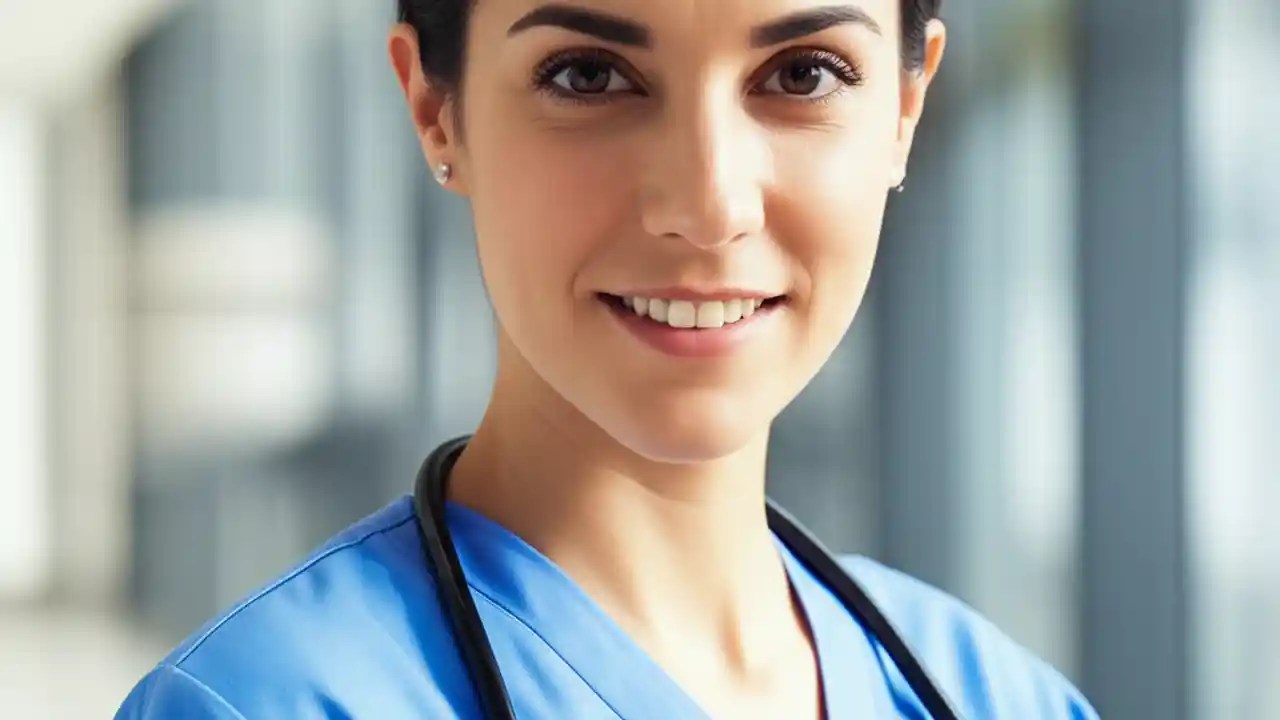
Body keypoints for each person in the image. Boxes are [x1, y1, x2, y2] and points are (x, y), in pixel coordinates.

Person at [116, 0, 1098, 717]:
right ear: (433, 110)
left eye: (801, 74)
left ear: (902, 109)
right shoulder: (268, 703)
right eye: (586, 75)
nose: (709, 205)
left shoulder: (996, 696)